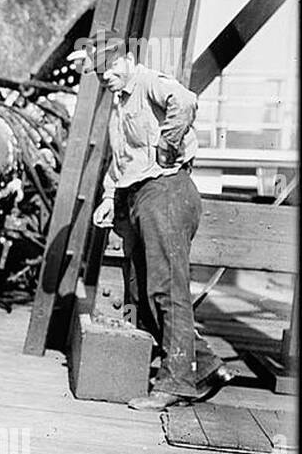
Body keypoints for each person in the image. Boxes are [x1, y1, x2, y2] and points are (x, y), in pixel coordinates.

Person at [71, 34, 232, 411]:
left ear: (126, 59)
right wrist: (111, 198)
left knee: (166, 287)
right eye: (98, 70)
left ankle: (176, 382)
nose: (105, 75)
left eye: (109, 65)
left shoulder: (146, 82)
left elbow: (186, 101)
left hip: (167, 191)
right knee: (141, 289)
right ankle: (203, 365)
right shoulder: (120, 103)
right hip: (140, 195)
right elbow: (121, 161)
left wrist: (168, 141)